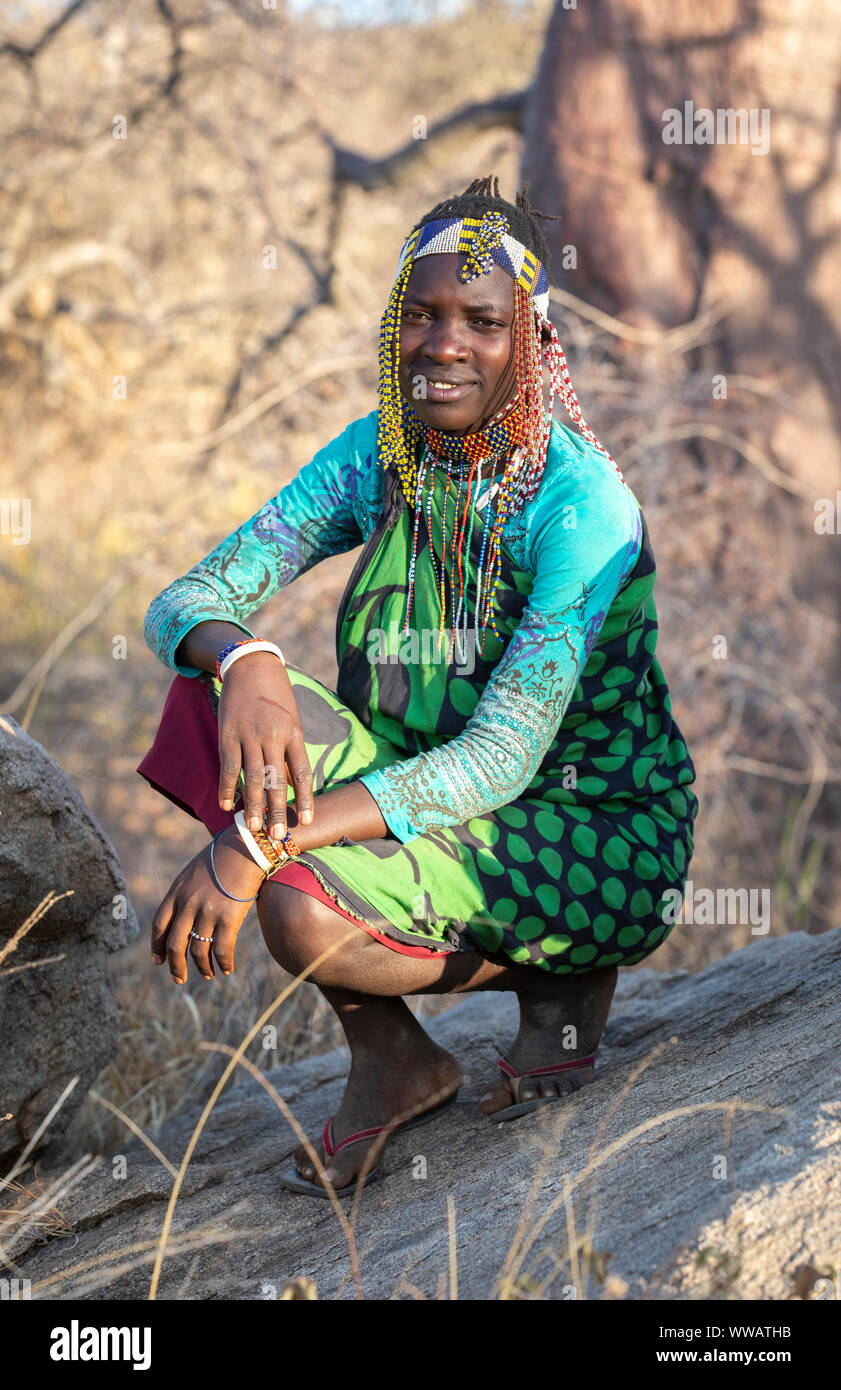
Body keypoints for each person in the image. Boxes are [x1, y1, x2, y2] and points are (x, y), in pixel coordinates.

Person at [138, 175, 698, 1198]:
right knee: (203, 703)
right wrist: (246, 660)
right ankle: (398, 1056)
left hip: (594, 829)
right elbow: (189, 597)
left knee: (298, 912)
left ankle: (563, 965)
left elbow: (500, 757)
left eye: (481, 321)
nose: (444, 344)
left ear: (526, 343)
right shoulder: (382, 455)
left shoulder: (581, 505)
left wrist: (259, 841)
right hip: (424, 776)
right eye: (422, 314)